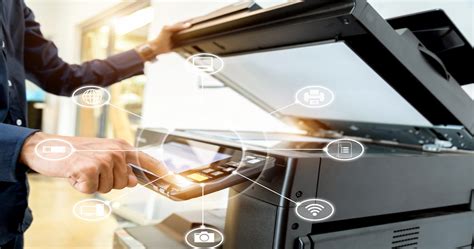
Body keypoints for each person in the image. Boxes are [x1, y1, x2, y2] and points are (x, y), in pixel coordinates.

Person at [0, 1, 190, 248]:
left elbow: (65, 77)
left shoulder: (14, 5)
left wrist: (151, 48)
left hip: (8, 212)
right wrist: (27, 144)